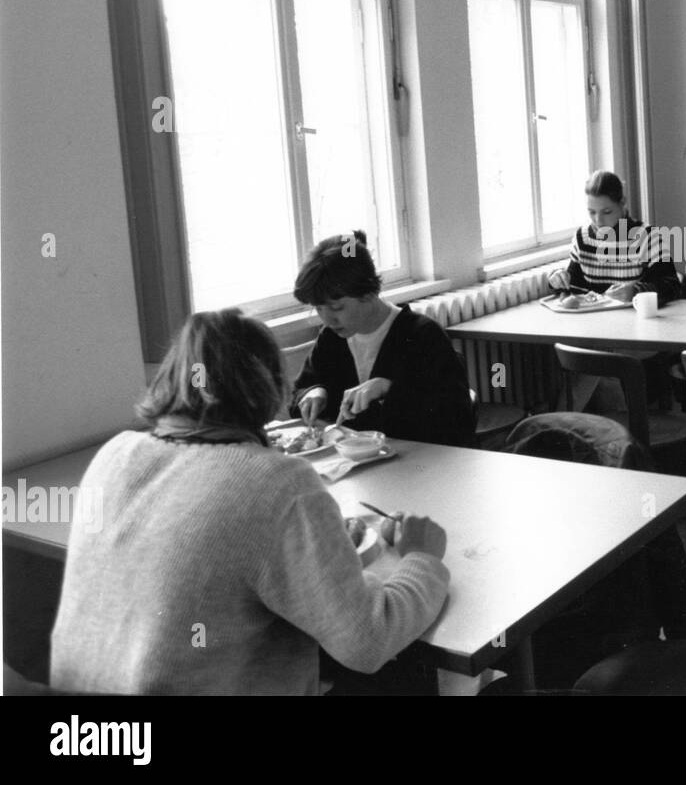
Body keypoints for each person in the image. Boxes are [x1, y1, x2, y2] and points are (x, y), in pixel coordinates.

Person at [50, 309, 451, 695]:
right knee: (402, 676)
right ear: (271, 386)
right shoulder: (278, 482)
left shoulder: (114, 455)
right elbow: (367, 643)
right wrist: (422, 559)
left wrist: (325, 556)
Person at [291, 231, 475, 447]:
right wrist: (313, 392)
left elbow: (457, 417)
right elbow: (301, 390)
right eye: (318, 308)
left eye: (337, 307)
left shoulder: (422, 335)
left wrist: (389, 388)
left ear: (368, 293)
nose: (327, 318)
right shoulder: (331, 338)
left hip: (418, 466)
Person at [549, 170, 682, 303]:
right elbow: (573, 288)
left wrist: (636, 291)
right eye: (592, 212)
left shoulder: (648, 237)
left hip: (638, 320)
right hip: (598, 321)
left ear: (622, 202)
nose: (598, 221)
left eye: (607, 212)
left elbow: (672, 287)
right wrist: (556, 280)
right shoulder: (582, 239)